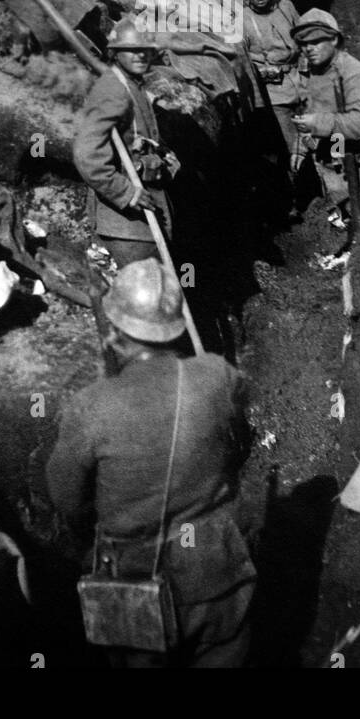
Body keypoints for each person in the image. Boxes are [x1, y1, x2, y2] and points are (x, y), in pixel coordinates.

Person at [46, 259, 257, 668]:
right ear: (176, 326)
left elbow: (66, 499)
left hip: (131, 581)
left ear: (116, 332)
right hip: (216, 572)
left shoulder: (90, 406)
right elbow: (237, 442)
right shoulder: (218, 375)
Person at [72, 19, 178, 268]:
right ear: (115, 53)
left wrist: (164, 155)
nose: (141, 55)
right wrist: (125, 192)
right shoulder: (112, 90)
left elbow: (137, 136)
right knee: (138, 295)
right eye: (132, 49)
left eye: (146, 49)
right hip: (126, 226)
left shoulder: (132, 85)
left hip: (147, 210)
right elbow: (87, 155)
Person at [291, 9, 360, 223]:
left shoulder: (353, 74)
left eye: (315, 42)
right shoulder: (319, 71)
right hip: (337, 147)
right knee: (341, 189)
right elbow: (314, 110)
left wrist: (318, 124)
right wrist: (303, 143)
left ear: (333, 39)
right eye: (304, 44)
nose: (308, 49)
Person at [238, 0, 301, 158]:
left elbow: (305, 36)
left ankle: (338, 160)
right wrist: (261, 71)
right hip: (274, 92)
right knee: (294, 147)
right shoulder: (243, 19)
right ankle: (303, 179)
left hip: (302, 81)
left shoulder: (286, 8)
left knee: (330, 132)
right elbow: (242, 58)